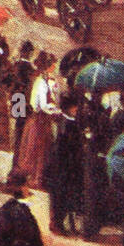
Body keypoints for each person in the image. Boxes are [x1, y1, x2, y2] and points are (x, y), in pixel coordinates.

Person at [14, 51, 58, 185]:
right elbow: (39, 103)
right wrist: (52, 109)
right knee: (34, 147)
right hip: (36, 117)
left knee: (40, 147)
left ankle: (37, 176)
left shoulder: (45, 80)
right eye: (53, 66)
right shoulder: (39, 81)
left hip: (38, 117)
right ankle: (32, 176)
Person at [44, 93, 83, 235]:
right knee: (60, 197)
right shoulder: (67, 124)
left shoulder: (65, 121)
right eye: (75, 108)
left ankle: (59, 223)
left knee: (61, 197)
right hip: (62, 165)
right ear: (69, 108)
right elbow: (68, 147)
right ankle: (57, 224)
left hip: (63, 164)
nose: (77, 110)